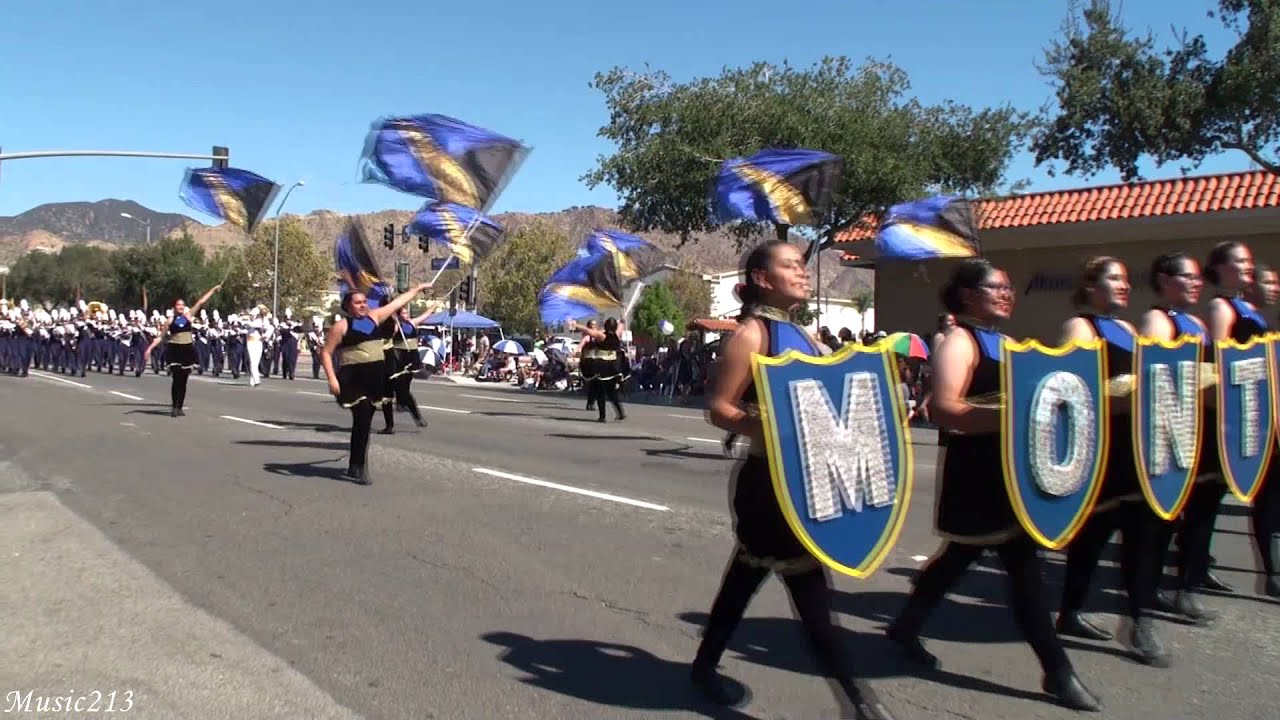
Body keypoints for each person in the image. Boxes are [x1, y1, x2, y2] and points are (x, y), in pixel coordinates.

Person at [886, 258, 1101, 712]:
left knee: (957, 560)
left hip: (1013, 470)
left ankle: (906, 625)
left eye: (1009, 287)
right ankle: (1057, 671)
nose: (1007, 294)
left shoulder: (1007, 343)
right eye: (996, 287)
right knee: (1023, 572)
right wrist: (1015, 413)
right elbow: (945, 410)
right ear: (967, 295)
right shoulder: (959, 343)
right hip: (979, 473)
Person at [688, 240, 891, 720]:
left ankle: (703, 665)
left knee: (746, 577)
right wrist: (780, 425)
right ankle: (861, 703)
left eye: (803, 265)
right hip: (770, 486)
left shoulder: (809, 337)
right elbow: (719, 409)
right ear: (762, 278)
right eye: (792, 266)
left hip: (811, 479)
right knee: (811, 599)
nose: (803, 273)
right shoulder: (753, 336)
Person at [1053, 257, 1169, 667]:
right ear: (1091, 286)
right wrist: (1116, 390)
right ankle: (1070, 611)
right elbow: (1069, 389)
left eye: (1125, 279)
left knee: (1142, 537)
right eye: (1114, 279)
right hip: (1098, 450)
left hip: (1133, 448)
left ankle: (1140, 622)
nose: (1123, 286)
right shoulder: (1079, 328)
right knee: (1091, 539)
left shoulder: (1129, 329)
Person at [320, 281, 433, 484]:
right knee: (362, 418)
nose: (363, 305)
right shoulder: (341, 326)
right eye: (357, 303)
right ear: (348, 306)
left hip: (374, 378)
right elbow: (326, 352)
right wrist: (331, 378)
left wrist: (415, 290)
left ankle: (355, 464)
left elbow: (397, 302)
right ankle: (359, 468)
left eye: (364, 302)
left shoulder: (375, 318)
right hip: (353, 379)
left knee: (363, 422)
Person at [143, 284, 222, 418]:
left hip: (187, 349)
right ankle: (174, 406)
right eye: (178, 305)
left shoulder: (188, 316)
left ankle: (180, 406)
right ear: (174, 306)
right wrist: (149, 349)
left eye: (182, 305)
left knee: (184, 380)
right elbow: (160, 337)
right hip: (174, 349)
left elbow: (201, 301)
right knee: (176, 379)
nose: (180, 307)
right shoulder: (169, 321)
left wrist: (213, 290)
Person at [569, 317, 627, 422]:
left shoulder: (602, 336)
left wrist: (576, 325)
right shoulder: (617, 335)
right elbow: (620, 327)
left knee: (601, 392)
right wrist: (622, 322)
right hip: (614, 368)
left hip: (603, 368)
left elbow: (588, 331)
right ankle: (620, 413)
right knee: (612, 392)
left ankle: (602, 416)